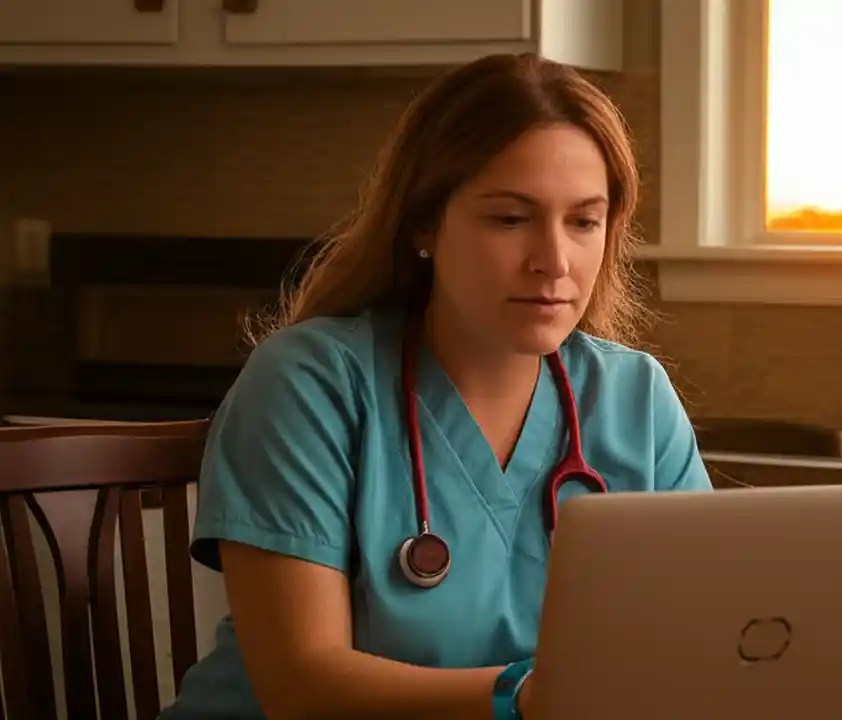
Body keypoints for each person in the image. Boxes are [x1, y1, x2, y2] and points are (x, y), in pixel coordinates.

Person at [159, 52, 713, 720]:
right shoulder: (309, 385)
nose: (554, 260)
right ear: (425, 222)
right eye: (510, 219)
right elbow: (302, 687)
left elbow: (699, 646)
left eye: (583, 221)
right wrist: (529, 698)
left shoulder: (635, 401)